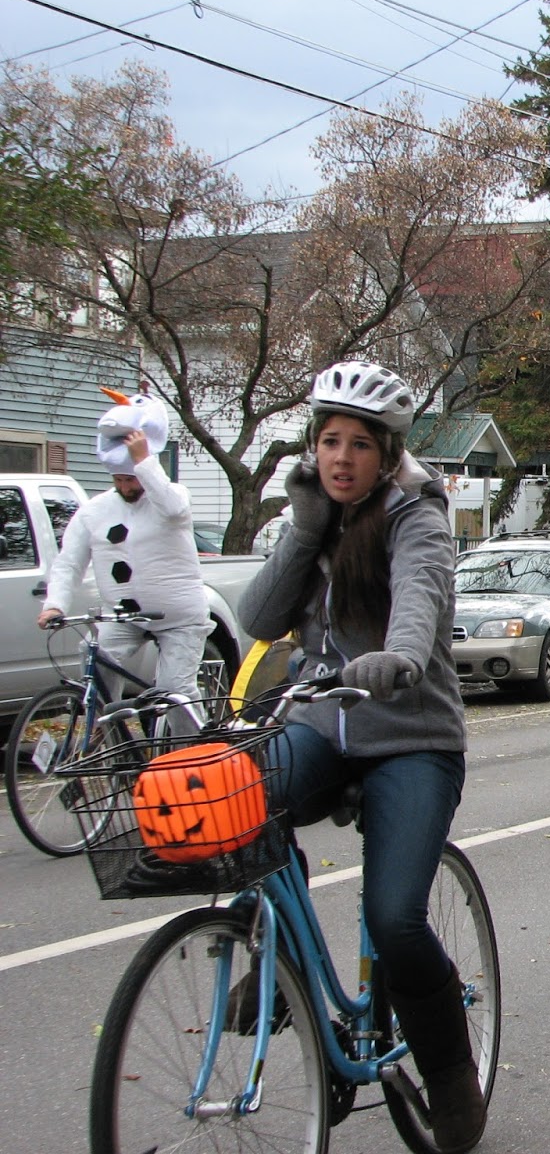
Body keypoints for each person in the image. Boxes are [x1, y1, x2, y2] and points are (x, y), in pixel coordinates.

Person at [237, 361, 486, 1152]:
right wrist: (305, 528)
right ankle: (277, 954)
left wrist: (402, 656)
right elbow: (258, 618)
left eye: (358, 445)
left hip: (412, 736)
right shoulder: (315, 516)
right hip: (322, 723)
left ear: (387, 454)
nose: (341, 458)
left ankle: (450, 1073)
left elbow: (422, 598)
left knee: (393, 918)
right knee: (235, 796)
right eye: (328, 441)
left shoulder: (418, 516)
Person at [40, 387, 209, 702]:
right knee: (97, 667)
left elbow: (173, 508)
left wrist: (144, 462)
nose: (125, 486)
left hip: (179, 618)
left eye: (130, 479)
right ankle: (108, 740)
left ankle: (192, 747)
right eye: (118, 480)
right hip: (122, 617)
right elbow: (69, 562)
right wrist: (55, 604)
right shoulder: (95, 511)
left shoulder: (171, 497)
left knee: (175, 694)